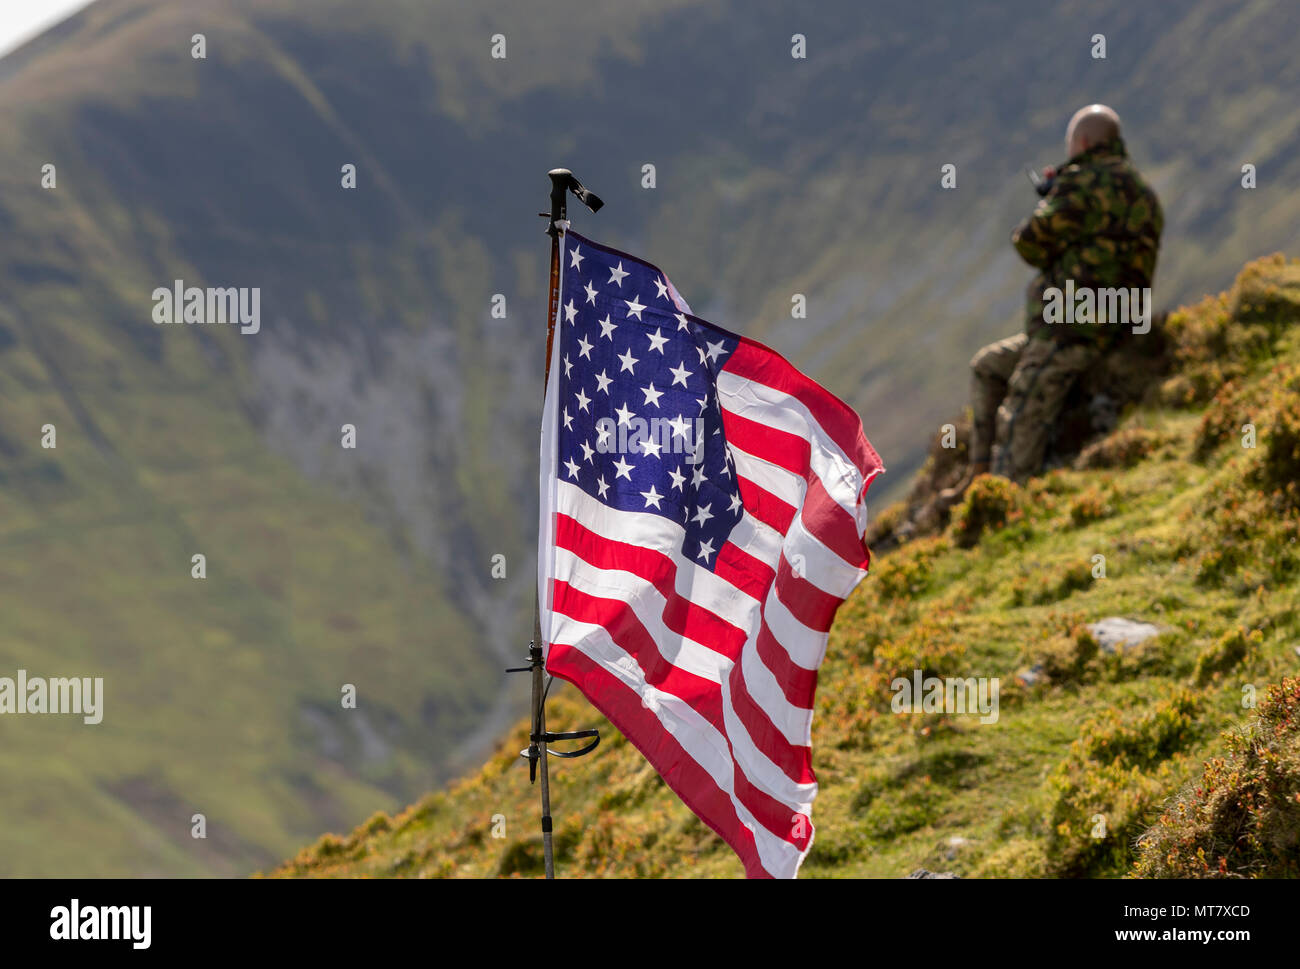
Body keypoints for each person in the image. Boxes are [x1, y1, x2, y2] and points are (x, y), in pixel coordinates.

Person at [939, 104, 1163, 504]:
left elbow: (1032, 243)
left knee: (1020, 412)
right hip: (1123, 325)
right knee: (989, 366)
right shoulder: (1145, 193)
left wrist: (1051, 196)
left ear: (1083, 142)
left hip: (1071, 327)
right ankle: (978, 476)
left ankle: (1002, 504)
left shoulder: (1080, 183)